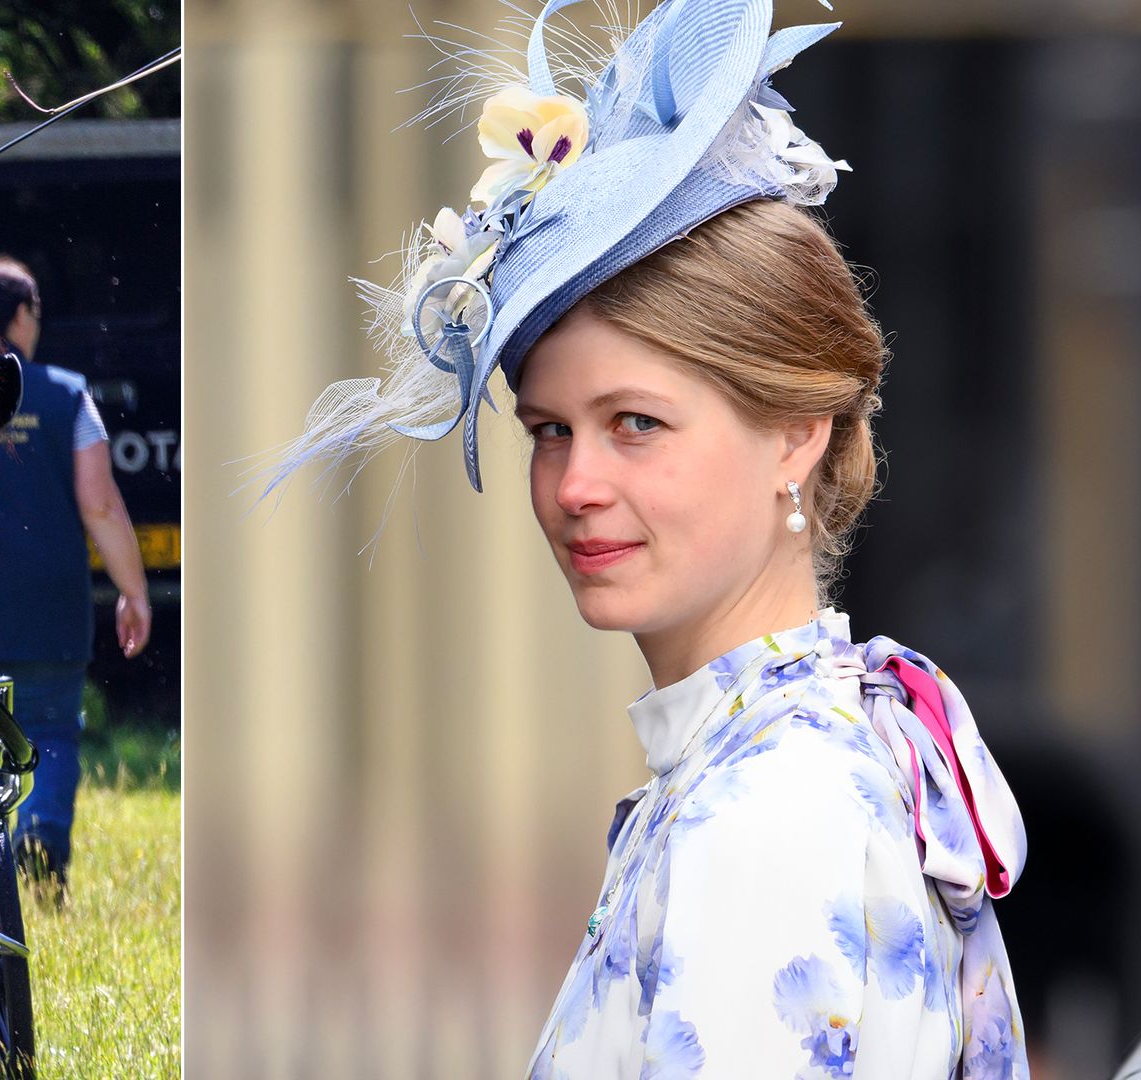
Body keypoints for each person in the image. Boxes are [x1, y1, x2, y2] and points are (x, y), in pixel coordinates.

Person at [269, 1, 1030, 1075]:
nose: (575, 486)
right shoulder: (782, 762)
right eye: (549, 431)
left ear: (795, 432)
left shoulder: (769, 813)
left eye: (636, 424)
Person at [0, 256, 152, 897]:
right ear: (20, 316)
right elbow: (100, 505)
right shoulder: (68, 395)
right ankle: (41, 834)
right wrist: (133, 590)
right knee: (49, 731)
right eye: (36, 311)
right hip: (51, 607)